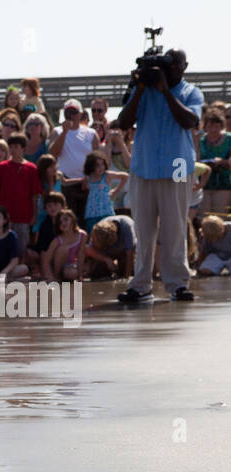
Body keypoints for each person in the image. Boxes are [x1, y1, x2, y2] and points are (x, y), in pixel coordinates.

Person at [114, 48, 203, 303]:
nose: (172, 67)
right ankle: (141, 285)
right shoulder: (144, 91)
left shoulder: (191, 92)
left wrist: (165, 90)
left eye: (177, 64)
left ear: (185, 66)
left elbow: (189, 121)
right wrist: (140, 87)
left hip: (176, 164)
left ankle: (177, 284)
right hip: (145, 165)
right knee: (143, 229)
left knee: (174, 227)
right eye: (168, 63)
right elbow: (123, 121)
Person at [0, 133, 41, 254]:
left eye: (16, 146)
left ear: (23, 148)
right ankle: (3, 273)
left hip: (24, 216)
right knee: (2, 248)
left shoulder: (31, 168)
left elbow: (34, 195)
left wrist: (34, 214)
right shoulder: (2, 167)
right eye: (11, 147)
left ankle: (20, 271)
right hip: (4, 216)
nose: (13, 150)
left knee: (21, 247)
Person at [49, 100, 100, 219]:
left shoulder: (91, 133)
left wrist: (89, 177)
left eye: (74, 112)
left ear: (81, 114)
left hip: (86, 183)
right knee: (66, 219)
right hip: (65, 183)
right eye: (68, 112)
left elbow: (97, 159)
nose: (71, 115)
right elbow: (53, 154)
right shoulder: (57, 131)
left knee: (85, 219)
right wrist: (65, 132)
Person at [84, 214, 136, 279]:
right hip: (107, 255)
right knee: (97, 273)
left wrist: (126, 278)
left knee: (125, 270)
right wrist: (106, 259)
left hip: (125, 252)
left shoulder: (127, 227)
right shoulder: (97, 231)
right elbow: (88, 249)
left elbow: (130, 255)